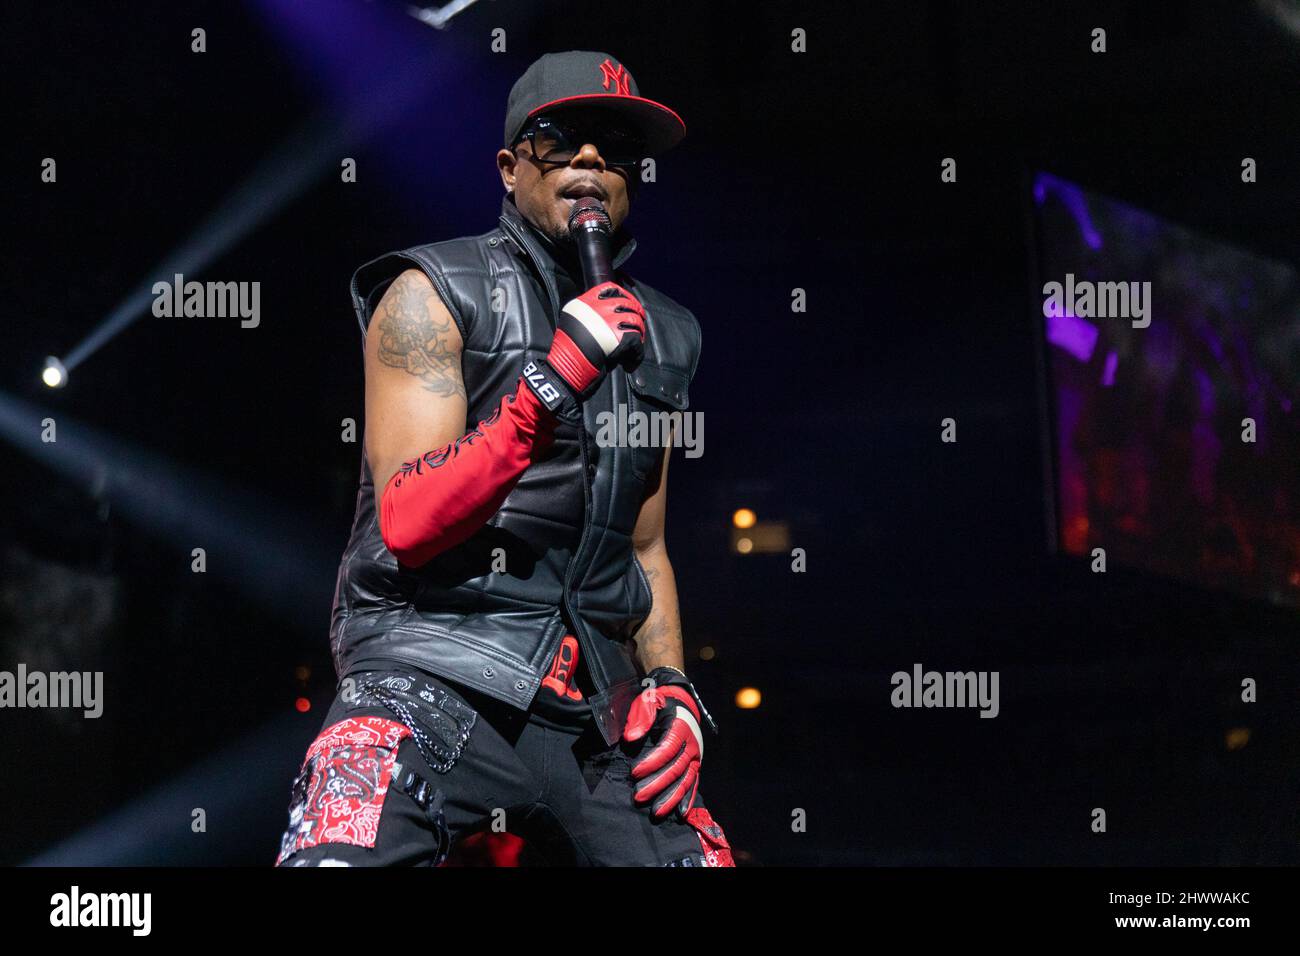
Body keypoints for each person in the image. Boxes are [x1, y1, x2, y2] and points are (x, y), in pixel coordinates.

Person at [275, 50, 731, 866]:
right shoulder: (430, 290)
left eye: (615, 148)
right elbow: (408, 521)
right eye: (562, 139)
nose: (592, 160)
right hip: (431, 666)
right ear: (511, 166)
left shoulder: (667, 333)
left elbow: (645, 548)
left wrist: (673, 686)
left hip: (595, 701)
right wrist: (549, 385)